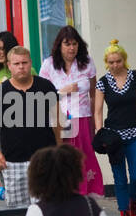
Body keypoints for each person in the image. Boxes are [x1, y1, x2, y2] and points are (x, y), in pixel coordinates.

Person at [0, 45, 61, 216]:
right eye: (16, 64)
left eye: (24, 63)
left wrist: (59, 149)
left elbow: (57, 120)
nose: (21, 67)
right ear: (9, 66)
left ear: (30, 63)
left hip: (44, 159)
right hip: (13, 161)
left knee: (45, 211)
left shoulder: (45, 86)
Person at [92, 40, 136, 216]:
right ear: (106, 63)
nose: (115, 65)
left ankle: (134, 203)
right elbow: (98, 110)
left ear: (124, 60)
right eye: (111, 62)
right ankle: (124, 215)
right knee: (120, 178)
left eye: (118, 61)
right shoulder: (102, 82)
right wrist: (99, 132)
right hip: (114, 138)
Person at [40, 25, 102, 198]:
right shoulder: (49, 65)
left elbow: (94, 94)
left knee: (84, 157)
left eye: (74, 44)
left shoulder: (87, 63)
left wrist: (97, 123)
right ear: (59, 45)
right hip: (59, 119)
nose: (71, 48)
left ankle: (85, 196)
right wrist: (62, 90)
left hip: (83, 118)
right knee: (62, 158)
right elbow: (41, 95)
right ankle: (64, 194)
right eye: (67, 44)